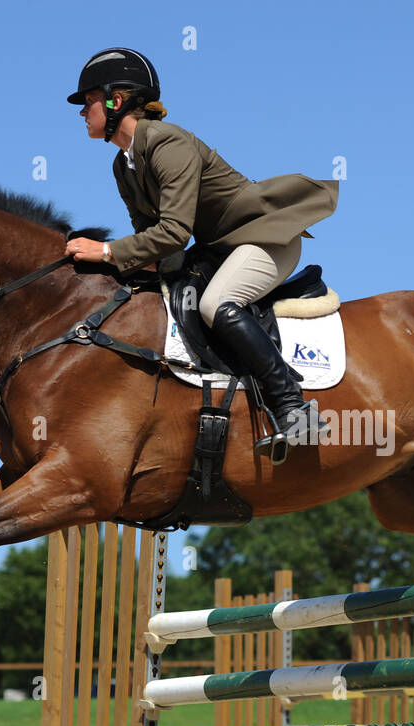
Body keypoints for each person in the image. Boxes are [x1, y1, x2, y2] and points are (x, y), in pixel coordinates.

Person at [64, 48, 337, 461]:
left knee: (215, 304)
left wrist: (105, 251)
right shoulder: (123, 166)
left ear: (115, 101)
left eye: (87, 102)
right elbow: (150, 239)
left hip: (266, 240)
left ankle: (293, 408)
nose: (83, 113)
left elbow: (173, 233)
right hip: (221, 250)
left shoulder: (166, 142)